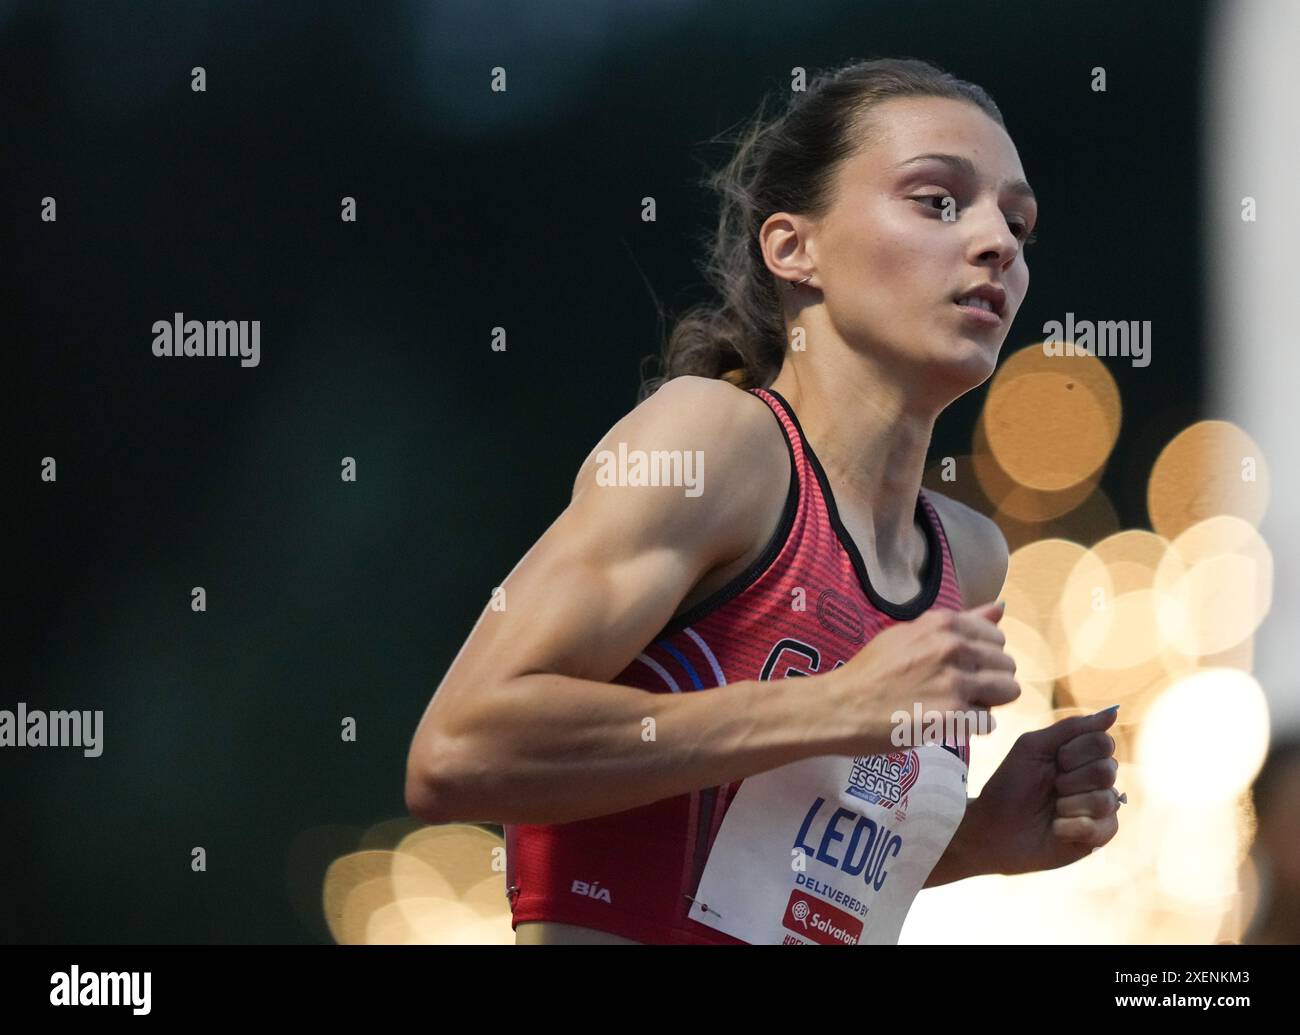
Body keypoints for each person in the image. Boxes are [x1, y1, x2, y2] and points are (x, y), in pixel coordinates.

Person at [405, 56, 1123, 945]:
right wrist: (832, 706)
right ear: (794, 247)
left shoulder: (968, 558)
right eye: (938, 201)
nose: (999, 243)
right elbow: (458, 750)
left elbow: (732, 859)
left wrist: (970, 840)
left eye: (1017, 223)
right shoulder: (716, 444)